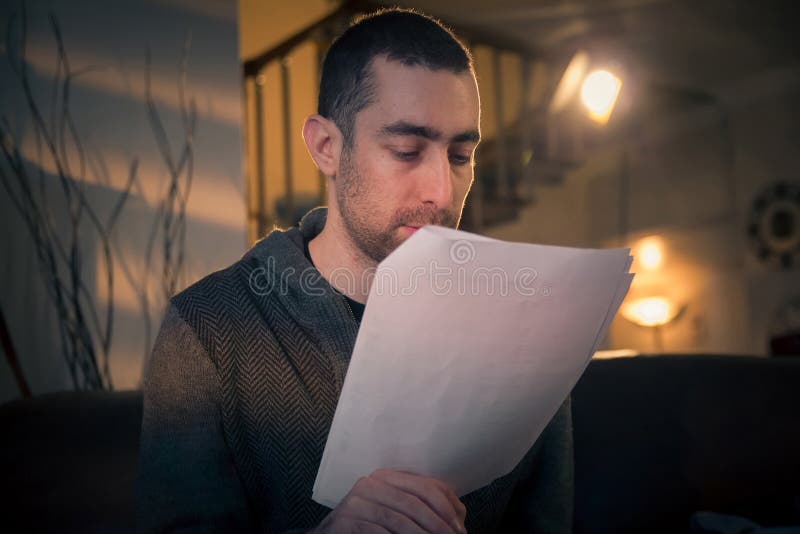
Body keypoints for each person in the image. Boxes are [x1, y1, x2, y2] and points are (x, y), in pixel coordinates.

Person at [136, 8, 573, 533]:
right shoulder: (208, 327)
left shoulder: (523, 325)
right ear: (326, 147)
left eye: (460, 156)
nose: (441, 190)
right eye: (407, 150)